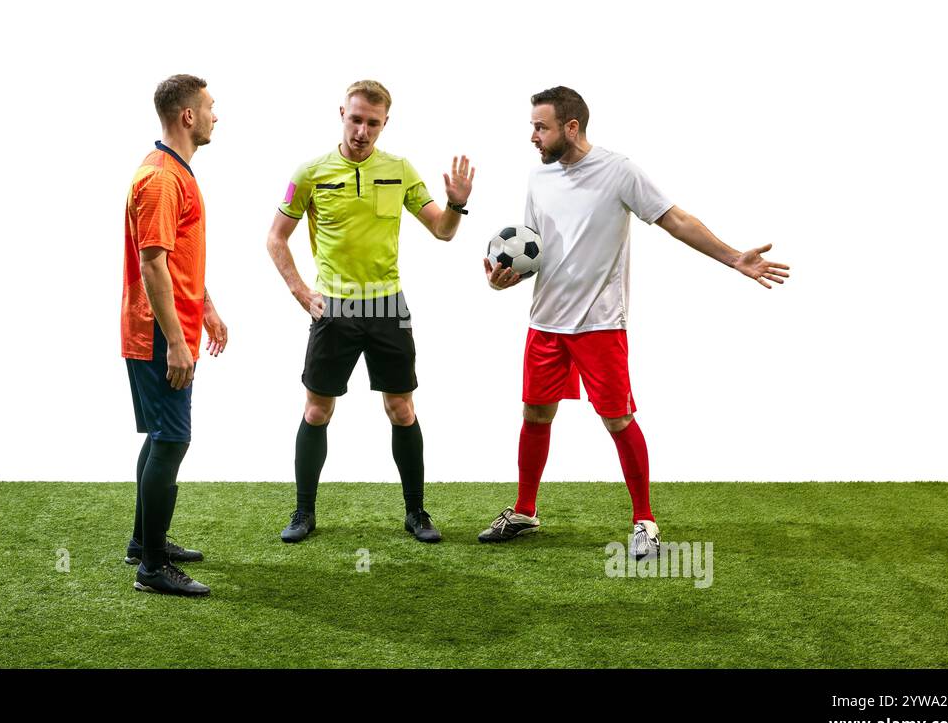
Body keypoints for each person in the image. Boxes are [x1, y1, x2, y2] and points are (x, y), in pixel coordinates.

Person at [478, 86, 789, 557]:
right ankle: (524, 511)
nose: (533, 137)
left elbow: (674, 219)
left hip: (600, 325)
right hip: (545, 322)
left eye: (541, 127)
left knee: (618, 418)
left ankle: (645, 521)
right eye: (532, 127)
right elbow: (533, 251)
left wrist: (732, 258)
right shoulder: (539, 180)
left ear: (571, 127)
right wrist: (505, 281)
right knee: (535, 414)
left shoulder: (617, 170)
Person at [267, 79, 474, 543]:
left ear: (385, 123)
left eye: (373, 123)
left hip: (387, 306)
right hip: (333, 310)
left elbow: (442, 230)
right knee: (317, 411)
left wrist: (458, 204)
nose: (362, 131)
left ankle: (416, 512)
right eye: (356, 119)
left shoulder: (399, 169)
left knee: (401, 409)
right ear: (341, 113)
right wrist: (301, 291)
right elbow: (275, 237)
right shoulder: (310, 172)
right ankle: (303, 512)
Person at [121, 74, 228, 596]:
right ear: (187, 115)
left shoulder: (175, 172)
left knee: (160, 438)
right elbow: (153, 264)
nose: (215, 115)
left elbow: (179, 257)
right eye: (209, 107)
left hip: (171, 327)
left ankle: (145, 543)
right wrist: (178, 341)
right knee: (172, 439)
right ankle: (153, 567)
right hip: (160, 334)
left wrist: (205, 308)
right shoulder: (163, 179)